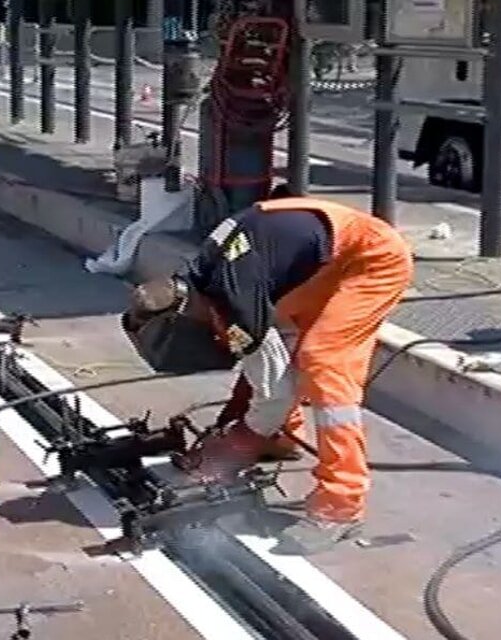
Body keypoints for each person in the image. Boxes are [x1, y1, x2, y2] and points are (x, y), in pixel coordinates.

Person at [122, 187, 414, 553]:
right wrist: (237, 422)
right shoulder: (200, 279)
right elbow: (260, 357)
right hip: (316, 254)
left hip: (369, 257)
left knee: (324, 361)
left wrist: (236, 444)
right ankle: (279, 440)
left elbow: (276, 391)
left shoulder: (234, 298)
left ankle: (341, 504)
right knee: (278, 345)